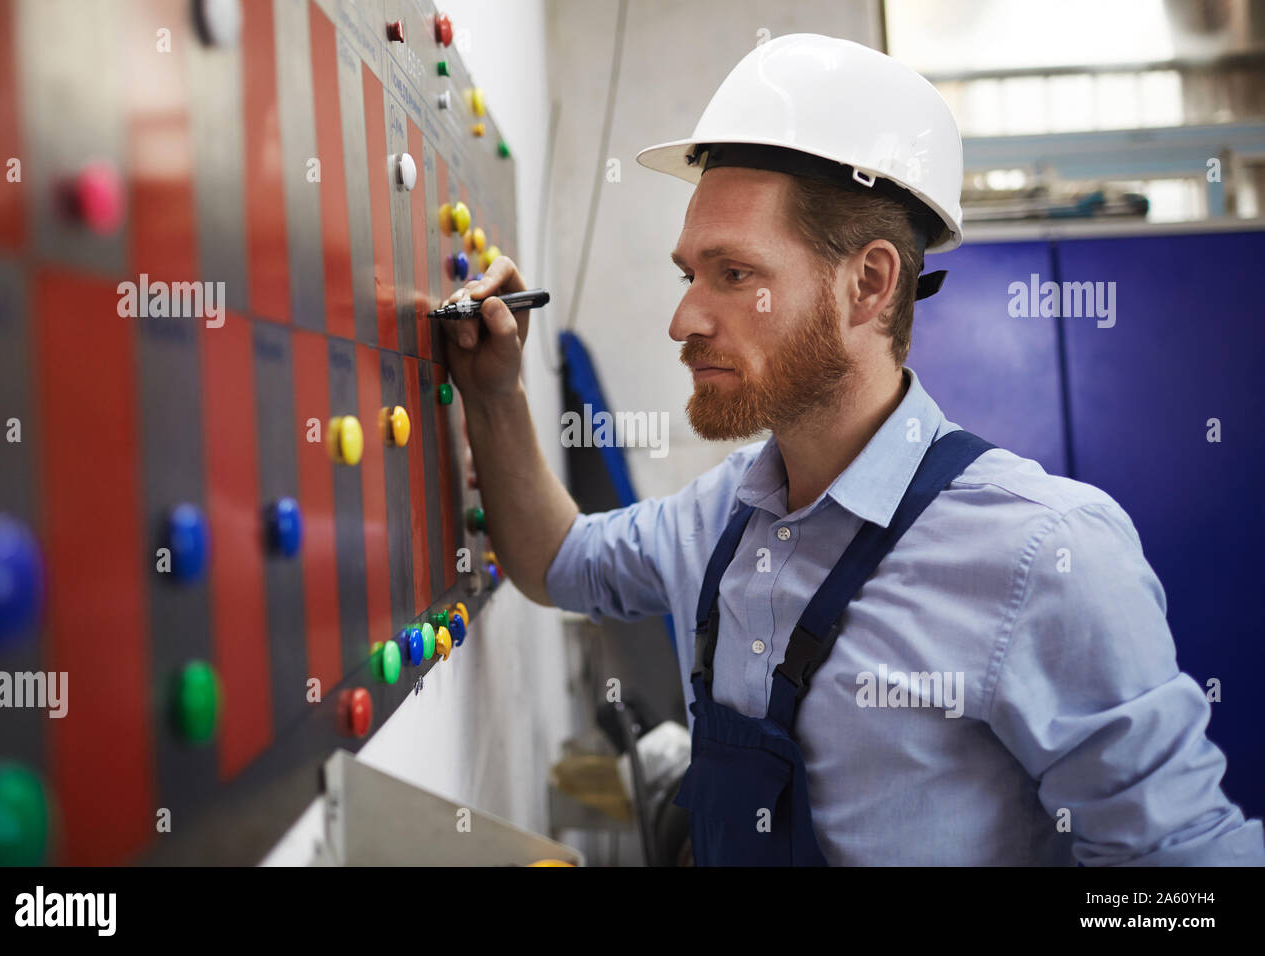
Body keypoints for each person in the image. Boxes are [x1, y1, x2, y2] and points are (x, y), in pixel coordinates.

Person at [437, 34, 1265, 866]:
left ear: (867, 285)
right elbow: (555, 562)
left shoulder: (1044, 553)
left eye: (733, 274)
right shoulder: (725, 515)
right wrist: (495, 391)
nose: (683, 320)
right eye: (689, 273)